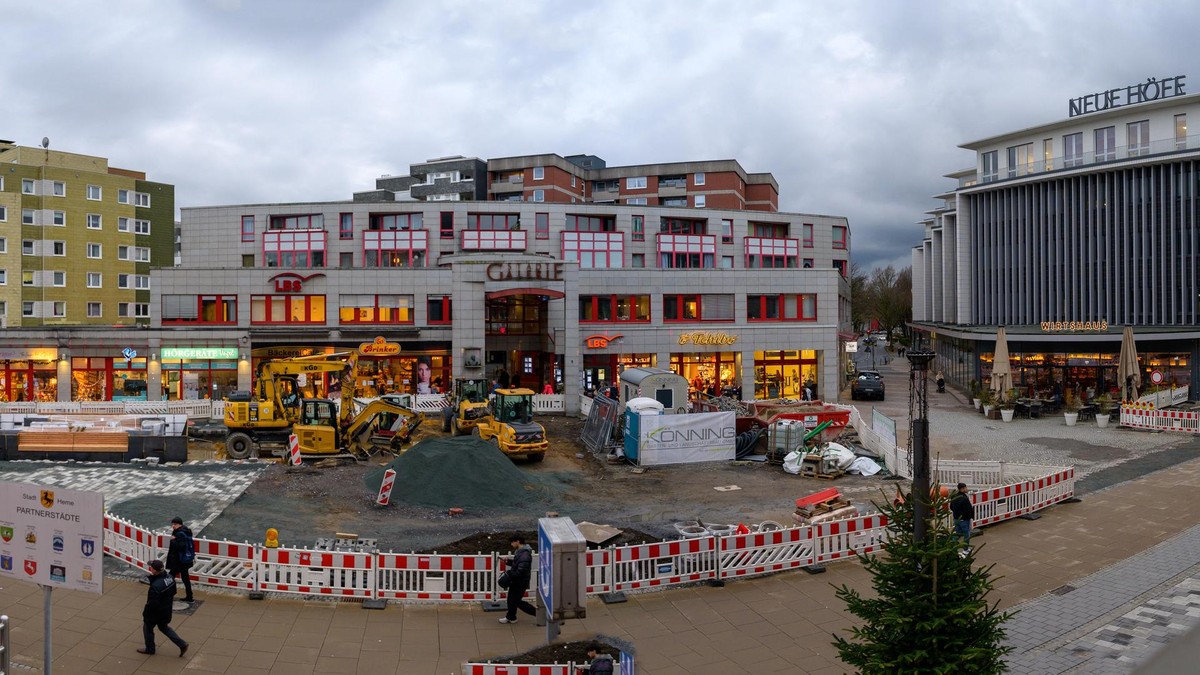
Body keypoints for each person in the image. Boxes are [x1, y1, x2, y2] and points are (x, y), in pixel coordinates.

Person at [138, 560, 188, 657]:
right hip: (166, 609)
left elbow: (152, 603)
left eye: (151, 567)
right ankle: (182, 644)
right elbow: (174, 592)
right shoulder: (170, 578)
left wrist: (146, 613)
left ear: (155, 570)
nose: (150, 568)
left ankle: (150, 649)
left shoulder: (156, 586)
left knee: (147, 628)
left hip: (156, 612)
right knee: (163, 627)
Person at [498, 535, 536, 624]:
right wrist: (508, 562)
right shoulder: (520, 552)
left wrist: (509, 573)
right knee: (511, 599)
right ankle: (511, 617)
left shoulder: (525, 555)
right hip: (517, 581)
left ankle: (539, 614)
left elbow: (521, 572)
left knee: (517, 601)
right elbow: (517, 565)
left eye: (512, 542)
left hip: (520, 582)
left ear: (517, 541)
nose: (511, 544)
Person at [166, 517, 195, 603]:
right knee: (185, 579)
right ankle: (189, 596)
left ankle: (168, 595)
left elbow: (180, 547)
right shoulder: (186, 531)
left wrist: (172, 540)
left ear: (179, 524)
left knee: (170, 577)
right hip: (185, 560)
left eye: (174, 524)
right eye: (172, 524)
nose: (173, 526)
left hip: (179, 561)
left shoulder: (180, 534)